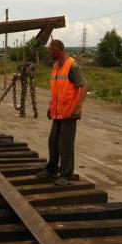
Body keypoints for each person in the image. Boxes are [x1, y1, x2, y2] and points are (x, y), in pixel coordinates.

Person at [44, 39, 89, 186]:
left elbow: (83, 86)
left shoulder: (72, 66)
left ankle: (67, 175)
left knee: (66, 145)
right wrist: (51, 108)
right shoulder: (56, 66)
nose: (50, 53)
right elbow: (57, 90)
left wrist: (78, 107)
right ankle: (51, 170)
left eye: (51, 50)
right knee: (53, 142)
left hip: (69, 113)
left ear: (58, 49)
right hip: (58, 112)